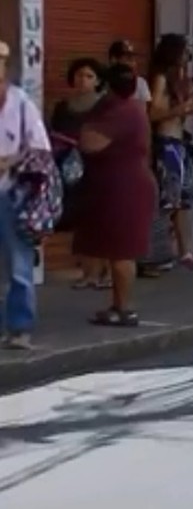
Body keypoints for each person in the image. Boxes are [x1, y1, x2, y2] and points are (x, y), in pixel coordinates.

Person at [74, 63, 156, 329]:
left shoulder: (124, 111)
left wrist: (81, 132)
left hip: (126, 187)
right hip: (111, 185)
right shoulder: (115, 107)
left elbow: (90, 142)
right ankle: (117, 305)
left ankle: (124, 309)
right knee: (113, 248)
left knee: (122, 250)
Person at [0, 41, 52, 349]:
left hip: (12, 195)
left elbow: (40, 148)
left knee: (19, 265)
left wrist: (9, 161)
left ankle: (19, 328)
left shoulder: (20, 104)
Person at [147, 33, 193, 271]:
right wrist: (182, 107)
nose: (188, 57)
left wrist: (191, 105)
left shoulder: (180, 79)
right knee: (167, 200)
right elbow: (153, 114)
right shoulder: (161, 79)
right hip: (166, 142)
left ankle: (185, 251)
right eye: (185, 52)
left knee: (183, 199)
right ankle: (161, 252)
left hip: (181, 141)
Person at [50, 58, 104, 277]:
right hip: (67, 167)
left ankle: (100, 269)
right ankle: (81, 266)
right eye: (80, 75)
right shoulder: (63, 106)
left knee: (98, 217)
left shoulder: (103, 105)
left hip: (95, 166)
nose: (83, 80)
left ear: (98, 80)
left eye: (89, 76)